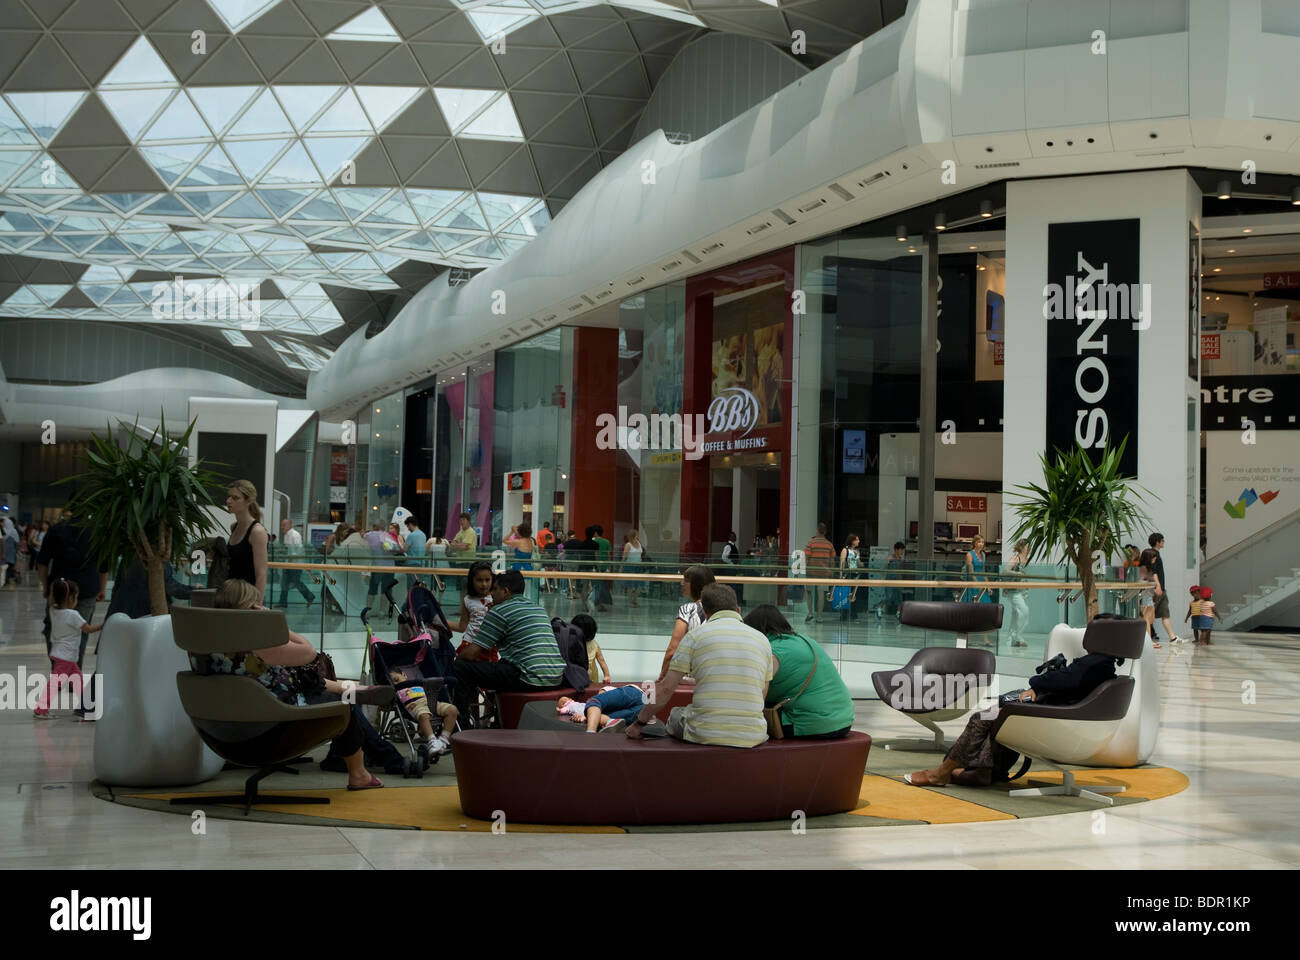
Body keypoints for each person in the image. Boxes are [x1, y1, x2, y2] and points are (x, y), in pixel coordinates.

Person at [209, 579, 393, 788]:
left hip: (224, 729)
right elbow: (308, 652)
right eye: (256, 604)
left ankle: (353, 691)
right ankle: (359, 773)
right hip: (270, 728)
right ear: (249, 608)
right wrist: (273, 621)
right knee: (343, 703)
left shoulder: (207, 641)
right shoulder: (256, 644)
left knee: (305, 679)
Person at [904, 635, 1127, 787]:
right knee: (996, 719)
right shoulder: (1105, 667)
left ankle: (940, 773)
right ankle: (983, 771)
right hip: (1067, 716)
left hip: (1056, 720)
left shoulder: (1093, 665)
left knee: (981, 718)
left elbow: (1064, 680)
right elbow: (1069, 683)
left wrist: (1036, 684)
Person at [626, 583, 772, 748]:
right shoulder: (763, 641)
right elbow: (762, 693)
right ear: (738, 610)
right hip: (754, 734)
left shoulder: (695, 637)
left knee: (676, 714)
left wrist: (639, 723)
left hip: (705, 732)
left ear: (705, 613)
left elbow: (666, 689)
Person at [449, 569, 568, 719]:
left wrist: (456, 659)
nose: (491, 593)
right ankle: (497, 720)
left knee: (459, 668)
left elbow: (473, 652)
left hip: (528, 678)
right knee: (503, 664)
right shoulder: (538, 608)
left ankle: (461, 728)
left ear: (505, 591)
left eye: (495, 589)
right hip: (556, 677)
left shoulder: (499, 611)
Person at [743, 605, 854, 739]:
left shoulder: (773, 653)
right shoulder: (805, 640)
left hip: (814, 724)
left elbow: (754, 694)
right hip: (844, 719)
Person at [35, 512, 107, 668]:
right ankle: (75, 668)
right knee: (81, 629)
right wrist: (102, 589)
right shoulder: (96, 532)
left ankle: (58, 667)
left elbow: (42, 562)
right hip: (87, 588)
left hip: (59, 588)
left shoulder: (56, 530)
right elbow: (104, 565)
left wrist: (46, 587)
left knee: (52, 627)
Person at [34, 579, 104, 719]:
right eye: (76, 597)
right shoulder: (73, 615)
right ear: (70, 598)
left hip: (61, 654)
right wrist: (104, 624)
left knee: (77, 680)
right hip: (66, 657)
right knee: (55, 684)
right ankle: (41, 709)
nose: (77, 600)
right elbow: (88, 629)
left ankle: (86, 707)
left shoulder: (53, 611)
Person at [387, 665, 459, 760]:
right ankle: (432, 741)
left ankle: (443, 740)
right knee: (423, 715)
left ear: (404, 675)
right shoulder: (397, 690)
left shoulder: (417, 682)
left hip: (431, 701)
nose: (396, 683)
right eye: (393, 682)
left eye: (397, 679)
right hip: (414, 705)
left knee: (453, 710)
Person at [658, 564, 715, 680]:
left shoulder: (688, 610)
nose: (681, 584)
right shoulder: (722, 609)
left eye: (686, 580)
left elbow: (673, 649)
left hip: (693, 678)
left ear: (697, 584)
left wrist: (662, 675)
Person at [107, 554, 193, 619]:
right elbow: (173, 588)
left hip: (121, 613)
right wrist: (197, 591)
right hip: (145, 615)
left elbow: (117, 586)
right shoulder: (155, 557)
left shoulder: (130, 554)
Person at [225, 480, 268, 601]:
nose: (228, 501)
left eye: (235, 498)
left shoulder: (257, 532)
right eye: (229, 496)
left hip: (247, 598)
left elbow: (261, 573)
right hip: (231, 594)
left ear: (249, 501)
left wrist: (257, 603)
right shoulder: (234, 527)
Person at [557, 682, 651, 733]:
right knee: (610, 719)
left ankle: (590, 734)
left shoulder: (605, 690)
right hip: (642, 713)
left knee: (593, 701)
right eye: (563, 702)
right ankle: (608, 722)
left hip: (637, 695)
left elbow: (597, 701)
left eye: (567, 699)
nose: (566, 701)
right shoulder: (594, 711)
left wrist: (587, 714)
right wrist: (586, 717)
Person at [454, 560, 497, 659]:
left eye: (487, 580)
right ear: (471, 580)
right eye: (479, 580)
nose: (484, 584)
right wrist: (441, 622)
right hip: (469, 643)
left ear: (492, 580)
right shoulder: (467, 600)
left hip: (489, 646)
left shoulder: (496, 598)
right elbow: (462, 626)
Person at [1147, 533, 1181, 643]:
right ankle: (1147, 640)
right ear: (1158, 542)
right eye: (1162, 540)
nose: (1164, 542)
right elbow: (1153, 571)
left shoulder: (1156, 554)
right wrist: (1158, 586)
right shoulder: (1153, 554)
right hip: (1157, 589)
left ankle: (1173, 638)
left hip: (1162, 589)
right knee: (1149, 615)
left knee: (1165, 613)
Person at [277, 518, 316, 608]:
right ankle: (283, 602)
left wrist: (291, 562)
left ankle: (310, 596)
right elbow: (288, 550)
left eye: (284, 525)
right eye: (282, 525)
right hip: (289, 564)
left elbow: (298, 550)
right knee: (285, 583)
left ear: (290, 525)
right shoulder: (287, 535)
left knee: (296, 583)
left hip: (295, 564)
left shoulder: (295, 535)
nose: (282, 527)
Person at [802, 522, 835, 624]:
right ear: (825, 532)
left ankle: (810, 613)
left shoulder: (811, 543)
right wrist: (832, 571)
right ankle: (819, 616)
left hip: (811, 572)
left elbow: (805, 557)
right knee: (821, 594)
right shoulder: (829, 544)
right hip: (824, 573)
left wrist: (803, 569)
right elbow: (832, 560)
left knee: (808, 592)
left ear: (817, 531)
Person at [1002, 538, 1031, 648]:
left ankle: (1011, 640)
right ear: (1023, 547)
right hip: (1013, 591)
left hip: (1020, 590)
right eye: (1027, 546)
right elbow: (1005, 570)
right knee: (1025, 611)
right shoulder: (1016, 558)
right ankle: (1017, 636)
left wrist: (1026, 587)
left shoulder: (1026, 559)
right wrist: (1018, 573)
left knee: (1016, 615)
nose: (1029, 548)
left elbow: (1025, 575)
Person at [571, 612, 610, 684]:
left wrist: (607, 675)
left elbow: (601, 660)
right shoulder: (594, 644)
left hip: (582, 676)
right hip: (585, 675)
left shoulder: (593, 644)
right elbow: (602, 661)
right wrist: (606, 675)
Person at [1137, 548, 1162, 649]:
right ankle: (1148, 640)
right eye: (1153, 557)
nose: (1155, 559)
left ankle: (1147, 639)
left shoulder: (1148, 568)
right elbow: (1140, 581)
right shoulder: (1143, 568)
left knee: (1150, 618)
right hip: (1145, 595)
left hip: (1148, 595)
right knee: (1147, 618)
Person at [401, 516, 431, 594]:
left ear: (410, 524)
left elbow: (404, 549)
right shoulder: (423, 534)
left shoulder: (411, 535)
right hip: (421, 564)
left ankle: (411, 605)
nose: (408, 528)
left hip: (412, 564)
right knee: (419, 587)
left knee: (411, 587)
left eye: (408, 526)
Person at [510, 521, 538, 602]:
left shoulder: (520, 542)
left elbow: (512, 550)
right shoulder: (531, 541)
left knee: (518, 590)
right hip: (527, 568)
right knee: (527, 590)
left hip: (518, 568)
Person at [961, 534, 992, 604]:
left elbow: (983, 571)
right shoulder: (969, 554)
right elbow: (971, 573)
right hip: (973, 581)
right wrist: (979, 585)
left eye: (983, 542)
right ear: (975, 543)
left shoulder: (983, 554)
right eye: (979, 542)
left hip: (981, 580)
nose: (981, 544)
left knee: (985, 604)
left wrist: (988, 586)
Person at [837, 533, 861, 622]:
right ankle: (844, 615)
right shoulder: (845, 550)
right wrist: (841, 575)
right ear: (852, 541)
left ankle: (853, 614)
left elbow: (858, 563)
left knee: (854, 594)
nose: (859, 541)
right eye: (857, 539)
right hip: (847, 574)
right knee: (845, 594)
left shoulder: (856, 551)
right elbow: (842, 563)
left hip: (855, 573)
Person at [880, 540, 906, 621]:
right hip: (890, 580)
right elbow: (885, 567)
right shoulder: (891, 557)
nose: (902, 551)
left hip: (898, 580)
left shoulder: (901, 559)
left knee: (899, 598)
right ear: (896, 549)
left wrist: (902, 580)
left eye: (903, 550)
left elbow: (901, 570)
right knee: (889, 597)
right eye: (901, 549)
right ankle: (879, 608)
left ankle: (898, 613)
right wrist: (882, 576)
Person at [591, 524, 614, 612]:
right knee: (603, 583)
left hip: (596, 566)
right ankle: (606, 601)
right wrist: (609, 566)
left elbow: (595, 554)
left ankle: (598, 602)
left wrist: (597, 566)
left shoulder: (593, 541)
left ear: (595, 532)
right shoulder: (607, 542)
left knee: (597, 585)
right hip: (605, 566)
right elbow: (609, 555)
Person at [622, 529, 644, 608]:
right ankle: (631, 601)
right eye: (636, 535)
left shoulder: (639, 543)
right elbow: (624, 557)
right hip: (629, 566)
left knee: (640, 585)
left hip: (638, 566)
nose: (637, 536)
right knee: (630, 586)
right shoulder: (628, 545)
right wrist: (621, 567)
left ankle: (634, 599)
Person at [0, 517, 19, 587]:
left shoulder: (4, 530)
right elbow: (17, 541)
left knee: (6, 565)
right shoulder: (13, 531)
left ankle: (5, 579)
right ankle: (5, 579)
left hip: (6, 551)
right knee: (9, 565)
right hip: (10, 550)